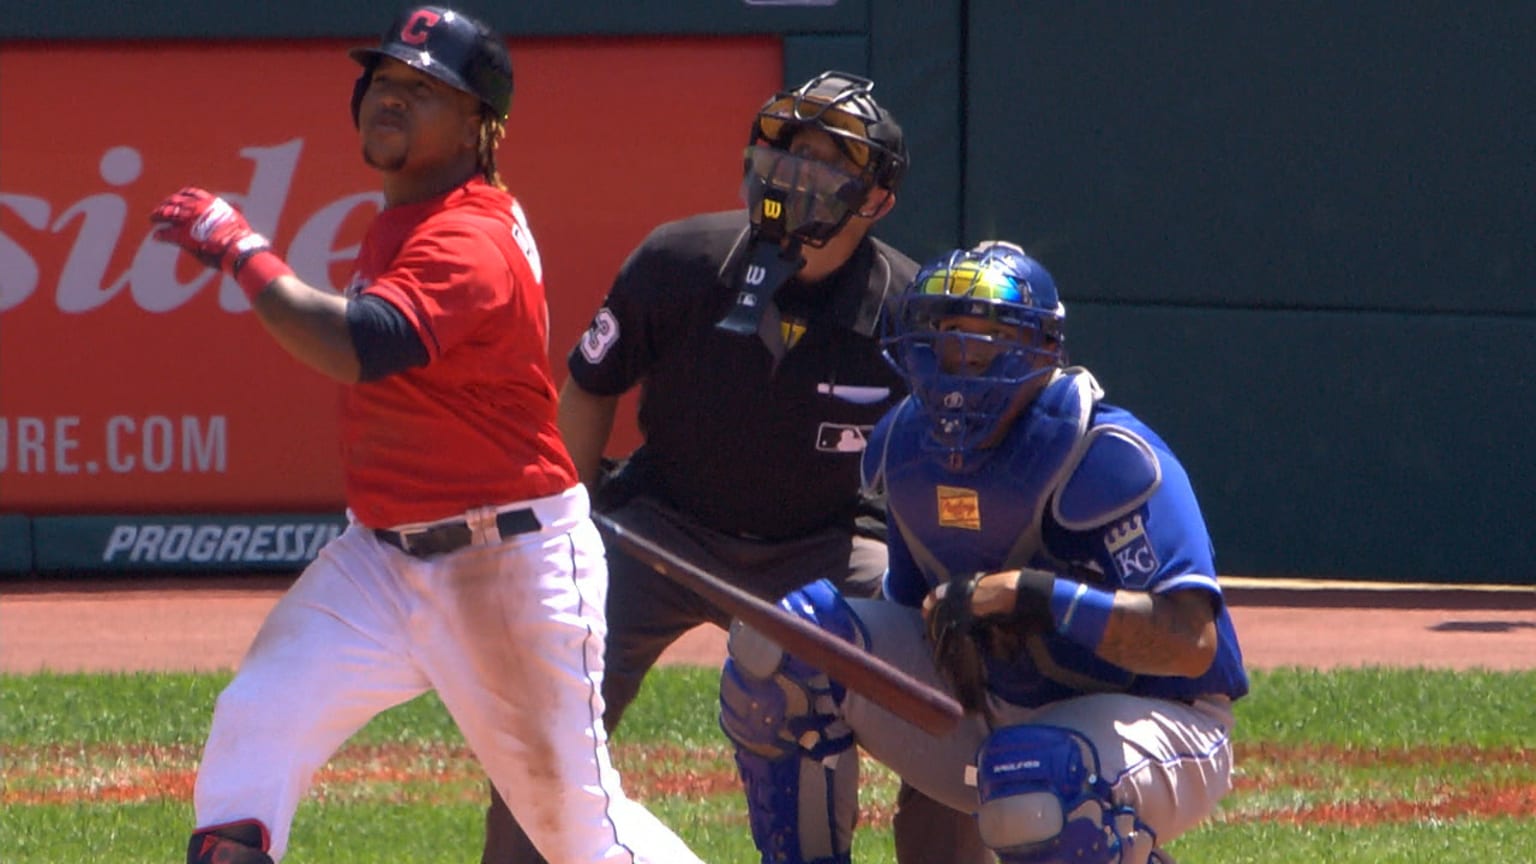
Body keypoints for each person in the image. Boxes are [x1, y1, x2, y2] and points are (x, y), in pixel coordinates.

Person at [150, 7, 707, 863]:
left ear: (482, 125)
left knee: (578, 831)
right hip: (380, 558)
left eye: (424, 88)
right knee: (260, 716)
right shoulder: (413, 212)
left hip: (506, 568)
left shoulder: (469, 235)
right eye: (384, 80)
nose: (391, 98)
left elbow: (361, 346)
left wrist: (242, 250)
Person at [482, 71, 995, 864]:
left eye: (831, 160)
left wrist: (938, 582)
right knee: (545, 705)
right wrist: (562, 536)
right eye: (788, 148)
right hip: (662, 525)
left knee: (941, 697)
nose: (797, 172)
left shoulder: (906, 312)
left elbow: (949, 459)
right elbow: (587, 388)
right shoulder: (678, 258)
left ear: (876, 199)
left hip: (826, 544)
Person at [717, 242, 1250, 864]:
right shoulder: (906, 448)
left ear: (1043, 351)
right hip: (994, 712)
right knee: (787, 646)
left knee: (1034, 783)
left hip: (1163, 721)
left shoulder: (1108, 455)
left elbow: (1190, 645)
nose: (960, 362)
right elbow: (914, 628)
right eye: (947, 337)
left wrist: (1036, 598)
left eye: (987, 339)